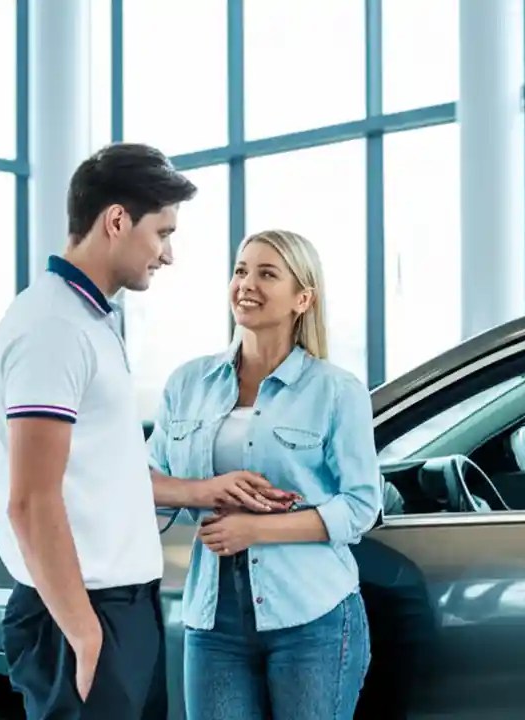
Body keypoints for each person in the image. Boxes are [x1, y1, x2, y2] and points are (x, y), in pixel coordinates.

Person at [0, 142, 210, 719]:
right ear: (116, 220)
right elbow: (31, 500)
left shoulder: (89, 319)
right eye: (162, 233)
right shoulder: (54, 327)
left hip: (118, 607)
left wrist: (199, 491)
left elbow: (101, 470)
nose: (168, 255)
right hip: (83, 612)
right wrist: (84, 633)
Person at [147, 229, 384, 719]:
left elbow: (361, 506)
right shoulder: (188, 383)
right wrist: (204, 491)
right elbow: (145, 481)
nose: (246, 284)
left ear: (303, 298)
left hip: (312, 617)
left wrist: (254, 530)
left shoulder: (337, 391)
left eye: (267, 273)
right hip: (213, 621)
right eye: (240, 271)